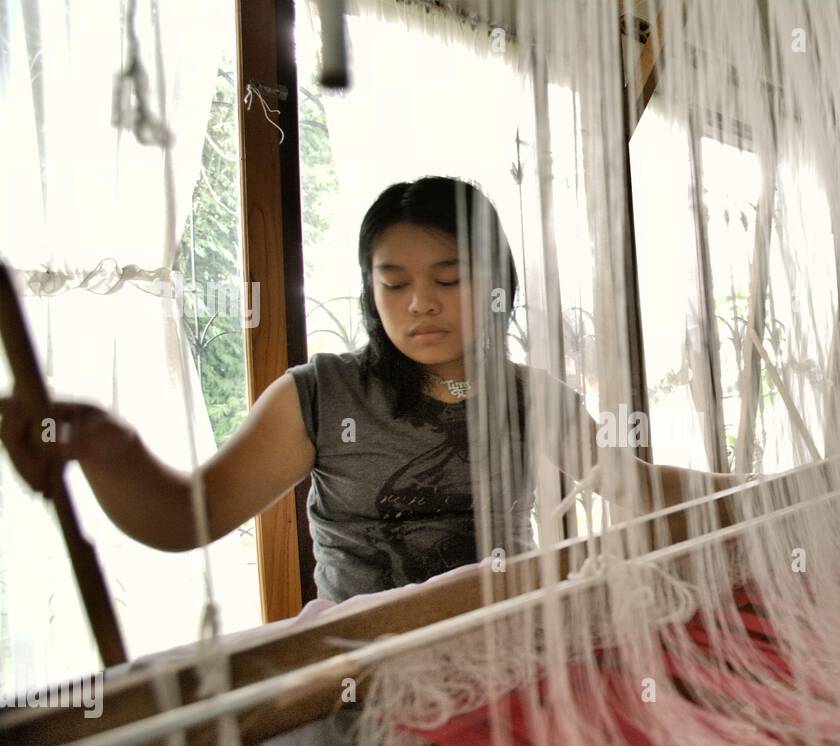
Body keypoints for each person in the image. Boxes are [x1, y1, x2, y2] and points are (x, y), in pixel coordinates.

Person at [0, 176, 741, 608]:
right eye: (394, 283)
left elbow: (635, 489)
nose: (420, 303)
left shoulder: (530, 398)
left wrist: (758, 498)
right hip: (355, 663)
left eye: (449, 280)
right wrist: (103, 443)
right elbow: (184, 516)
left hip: (502, 638)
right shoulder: (321, 397)